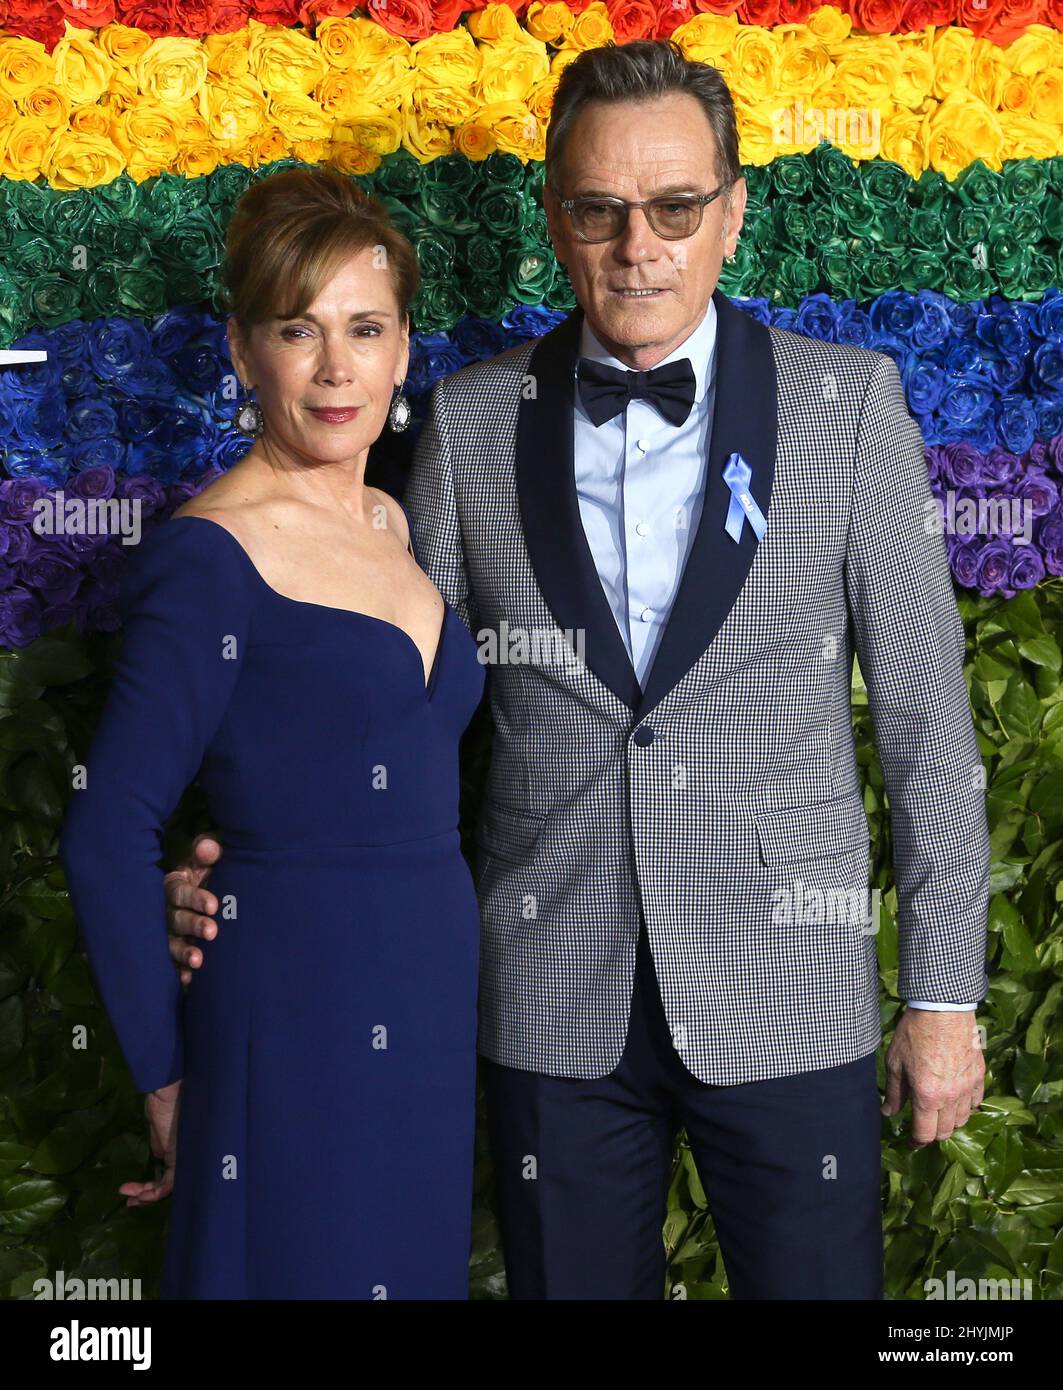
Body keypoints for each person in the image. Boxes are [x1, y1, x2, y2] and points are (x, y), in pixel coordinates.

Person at [163, 41, 990, 1300]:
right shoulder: (471, 423)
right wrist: (243, 868)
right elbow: (389, 705)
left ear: (731, 214)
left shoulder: (848, 409)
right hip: (548, 1001)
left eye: (674, 207)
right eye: (601, 210)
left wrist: (942, 996)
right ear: (557, 218)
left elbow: (928, 726)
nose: (638, 246)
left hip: (787, 993)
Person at [59, 165, 487, 1299]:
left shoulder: (398, 519)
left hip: (428, 1005)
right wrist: (166, 1082)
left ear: (404, 352)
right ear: (246, 352)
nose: (337, 367)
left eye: (366, 328)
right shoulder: (211, 557)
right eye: (298, 330)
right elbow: (107, 830)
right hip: (294, 1011)